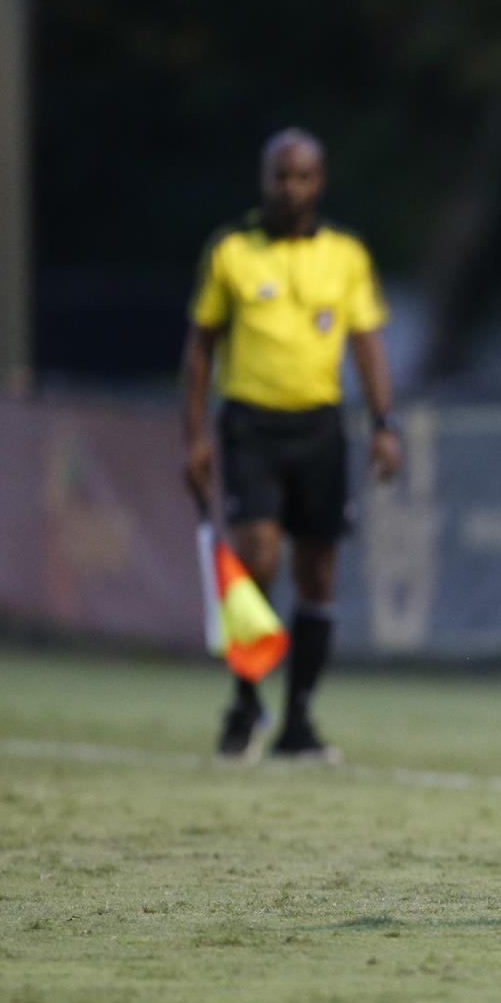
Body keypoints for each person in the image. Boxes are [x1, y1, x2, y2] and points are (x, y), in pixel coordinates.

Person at [181, 128, 401, 762]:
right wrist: (194, 435)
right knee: (258, 556)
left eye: (302, 176)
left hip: (320, 427)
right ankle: (247, 698)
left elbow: (366, 342)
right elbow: (200, 347)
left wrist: (384, 423)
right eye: (281, 176)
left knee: (318, 572)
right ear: (264, 180)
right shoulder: (230, 251)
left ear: (319, 182)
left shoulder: (345, 255)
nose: (291, 187)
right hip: (250, 424)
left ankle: (298, 720)